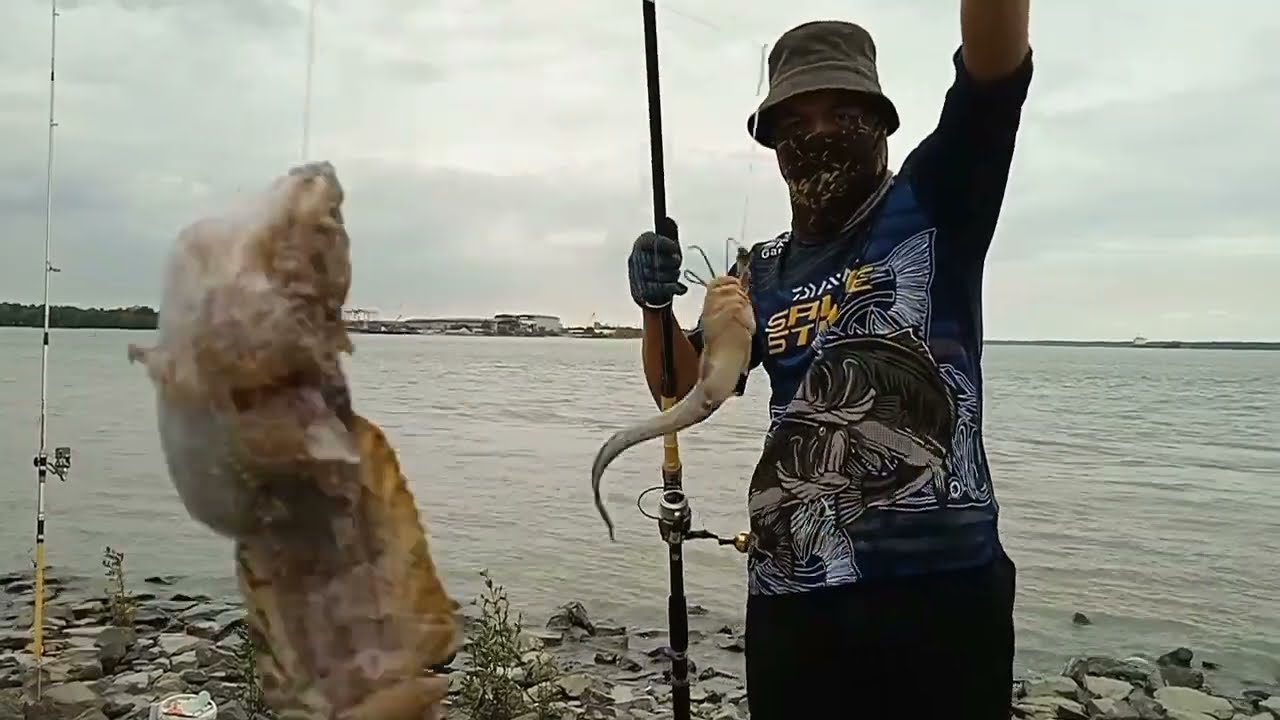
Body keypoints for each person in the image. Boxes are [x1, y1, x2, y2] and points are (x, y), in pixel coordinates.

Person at [625, 4, 1032, 718]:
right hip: (793, 594)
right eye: (795, 122)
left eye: (842, 113)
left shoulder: (938, 198)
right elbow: (679, 388)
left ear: (880, 123)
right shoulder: (758, 272)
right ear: (774, 143)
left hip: (941, 593)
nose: (816, 134)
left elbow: (993, 73)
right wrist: (656, 308)